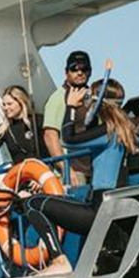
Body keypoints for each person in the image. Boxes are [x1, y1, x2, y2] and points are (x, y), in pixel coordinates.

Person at [19, 63, 139, 276]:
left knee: (32, 203)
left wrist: (71, 108)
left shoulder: (108, 131)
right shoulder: (124, 129)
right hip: (113, 206)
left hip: (101, 211)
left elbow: (69, 139)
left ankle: (59, 262)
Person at [42, 51, 93, 183]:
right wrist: (66, 169)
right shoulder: (58, 98)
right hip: (75, 171)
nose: (79, 72)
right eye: (74, 69)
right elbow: (50, 136)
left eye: (84, 68)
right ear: (66, 72)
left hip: (95, 166)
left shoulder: (93, 96)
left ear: (90, 71)